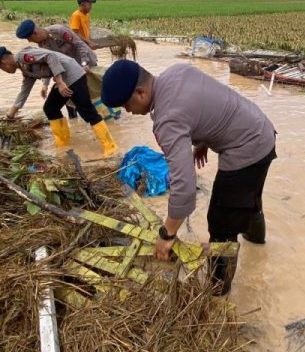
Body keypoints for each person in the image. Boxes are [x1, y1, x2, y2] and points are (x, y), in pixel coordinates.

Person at [101, 60, 277, 295]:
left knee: (221, 224)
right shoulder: (176, 71)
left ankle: (218, 293)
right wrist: (204, 140)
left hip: (245, 149)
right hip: (261, 129)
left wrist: (167, 234)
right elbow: (209, 103)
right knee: (249, 198)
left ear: (141, 92)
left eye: (126, 104)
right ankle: (258, 246)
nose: (128, 111)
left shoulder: (166, 120)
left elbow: (184, 186)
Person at [0, 46, 118, 156]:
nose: (5, 71)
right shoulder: (25, 69)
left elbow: (50, 56)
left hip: (73, 75)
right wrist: (10, 115)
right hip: (63, 80)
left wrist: (60, 82)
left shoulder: (23, 57)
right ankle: (63, 143)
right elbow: (25, 91)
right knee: (50, 108)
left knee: (87, 111)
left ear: (4, 61)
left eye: (2, 68)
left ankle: (111, 147)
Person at [16, 18, 99, 119]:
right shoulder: (42, 45)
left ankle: (109, 118)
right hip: (69, 72)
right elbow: (49, 64)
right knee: (67, 97)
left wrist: (84, 63)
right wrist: (45, 85)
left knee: (95, 94)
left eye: (29, 38)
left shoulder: (59, 31)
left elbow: (80, 44)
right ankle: (75, 123)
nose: (29, 41)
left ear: (35, 33)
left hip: (86, 63)